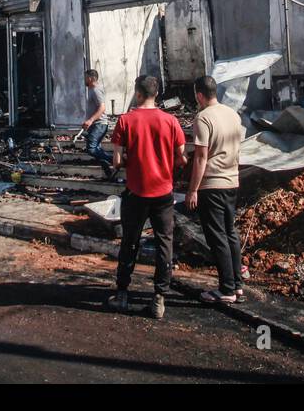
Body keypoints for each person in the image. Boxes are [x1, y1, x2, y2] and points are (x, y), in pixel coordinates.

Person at [107, 75, 185, 320]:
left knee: (130, 241)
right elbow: (182, 157)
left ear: (138, 94)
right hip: (163, 192)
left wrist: (133, 159)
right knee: (165, 243)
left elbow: (117, 161)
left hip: (136, 191)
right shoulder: (171, 121)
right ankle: (159, 298)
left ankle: (122, 293)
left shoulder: (125, 121)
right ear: (157, 94)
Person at [186, 75, 245, 304]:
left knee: (217, 236)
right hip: (232, 181)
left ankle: (226, 289)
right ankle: (237, 285)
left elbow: (201, 157)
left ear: (199, 94)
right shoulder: (232, 114)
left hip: (212, 183)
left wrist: (193, 190)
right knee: (230, 233)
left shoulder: (203, 118)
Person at [78, 70, 113, 179]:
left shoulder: (96, 90)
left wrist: (90, 120)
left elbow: (102, 108)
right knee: (96, 149)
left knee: (91, 148)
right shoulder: (92, 90)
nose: (84, 79)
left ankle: (114, 160)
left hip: (100, 124)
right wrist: (88, 121)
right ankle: (108, 170)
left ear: (91, 78)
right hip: (96, 125)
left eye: (85, 77)